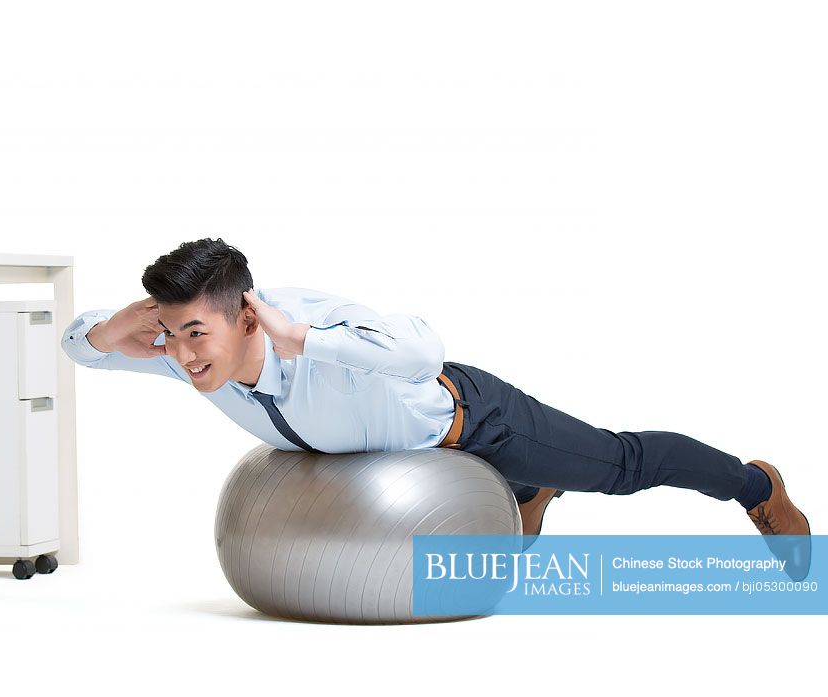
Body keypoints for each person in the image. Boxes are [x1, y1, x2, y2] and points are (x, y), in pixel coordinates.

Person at [61, 237, 811, 580]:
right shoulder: (195, 357)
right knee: (147, 346)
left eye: (197, 332)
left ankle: (753, 485)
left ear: (248, 319)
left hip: (471, 421)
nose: (185, 355)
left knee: (618, 465)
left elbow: (423, 352)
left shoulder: (308, 324)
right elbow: (77, 348)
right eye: (172, 332)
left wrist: (309, 341)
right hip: (402, 468)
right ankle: (527, 492)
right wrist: (110, 330)